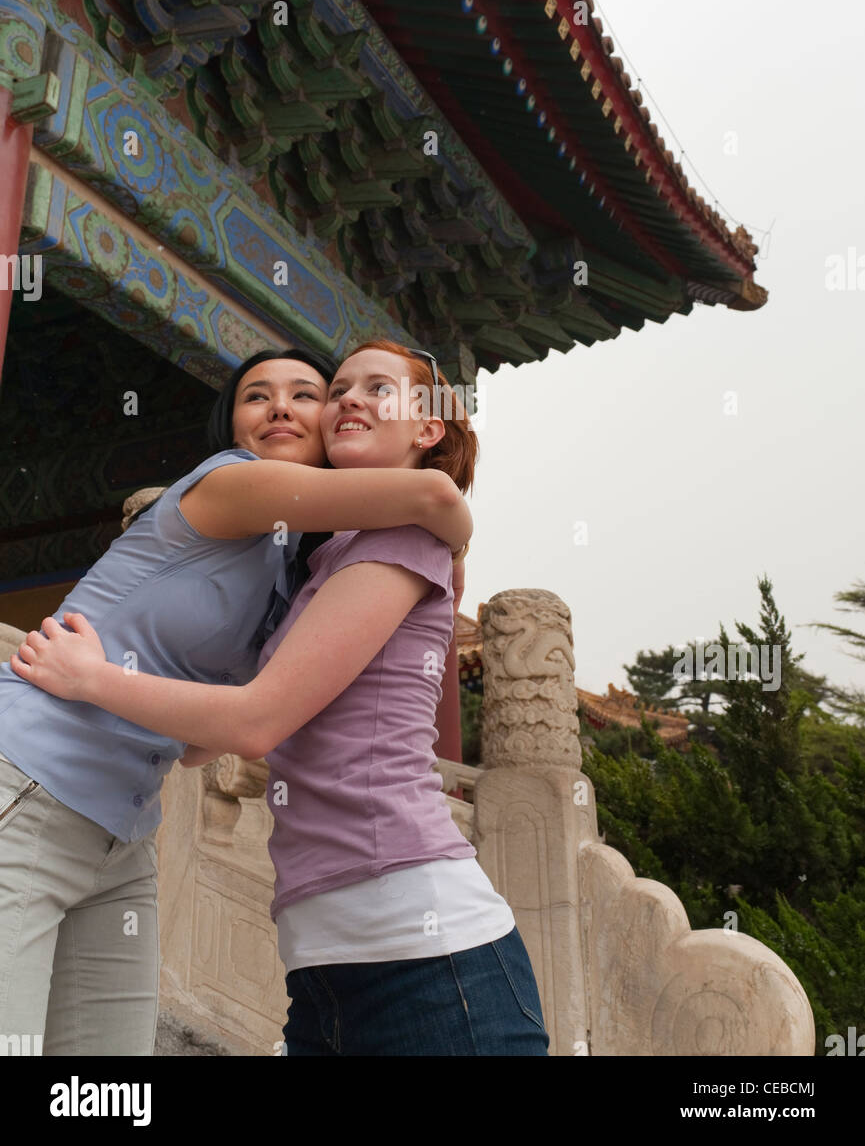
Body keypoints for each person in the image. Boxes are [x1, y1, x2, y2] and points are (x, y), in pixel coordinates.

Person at [13, 340, 548, 1057]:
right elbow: (434, 497)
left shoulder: (299, 568)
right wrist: (451, 541)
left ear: (428, 428)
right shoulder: (237, 486)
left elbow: (231, 730)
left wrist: (98, 679)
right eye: (257, 395)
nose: (294, 406)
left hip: (391, 940)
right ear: (233, 428)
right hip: (39, 785)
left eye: (309, 392)